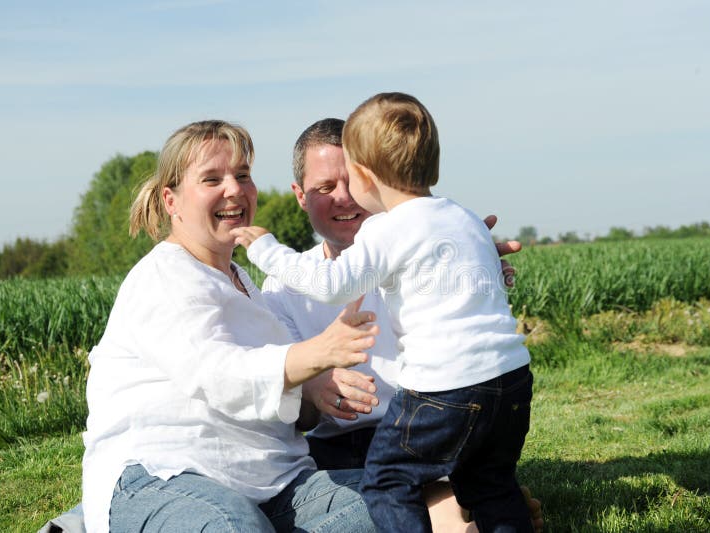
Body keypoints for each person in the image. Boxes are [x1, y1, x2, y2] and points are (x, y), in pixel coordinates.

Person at [232, 93, 535, 531]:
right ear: (300, 195)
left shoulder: (386, 233)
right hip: (505, 383)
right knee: (489, 485)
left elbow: (333, 284)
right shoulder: (459, 217)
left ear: (365, 176)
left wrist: (265, 248)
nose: (343, 197)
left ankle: (454, 513)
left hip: (436, 407)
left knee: (394, 488)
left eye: (348, 179)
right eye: (323, 188)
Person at [80, 120, 381, 533]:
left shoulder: (245, 285)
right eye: (211, 179)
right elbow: (217, 373)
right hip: (165, 472)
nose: (234, 189)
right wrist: (316, 354)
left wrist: (312, 389)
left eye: (242, 175)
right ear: (172, 200)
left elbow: (268, 392)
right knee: (234, 526)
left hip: (272, 482)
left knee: (396, 502)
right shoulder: (165, 277)